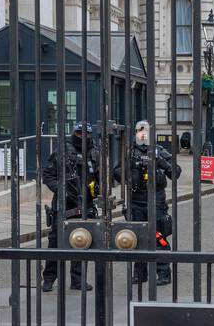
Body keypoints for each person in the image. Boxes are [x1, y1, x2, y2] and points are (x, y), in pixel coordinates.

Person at [114, 120, 181, 286]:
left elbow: (176, 172)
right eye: (139, 131)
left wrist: (161, 163)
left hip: (156, 200)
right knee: (136, 237)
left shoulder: (159, 151)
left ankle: (164, 273)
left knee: (159, 236)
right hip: (136, 200)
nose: (143, 134)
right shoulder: (130, 153)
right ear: (136, 133)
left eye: (146, 131)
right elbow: (116, 173)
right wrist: (129, 168)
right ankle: (139, 274)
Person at [40, 122, 100, 292]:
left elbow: (100, 176)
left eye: (86, 134)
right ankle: (49, 279)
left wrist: (98, 189)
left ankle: (78, 280)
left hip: (86, 204)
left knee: (83, 241)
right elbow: (48, 174)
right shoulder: (63, 151)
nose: (83, 137)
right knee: (56, 243)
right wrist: (60, 188)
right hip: (64, 204)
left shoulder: (94, 153)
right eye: (79, 133)